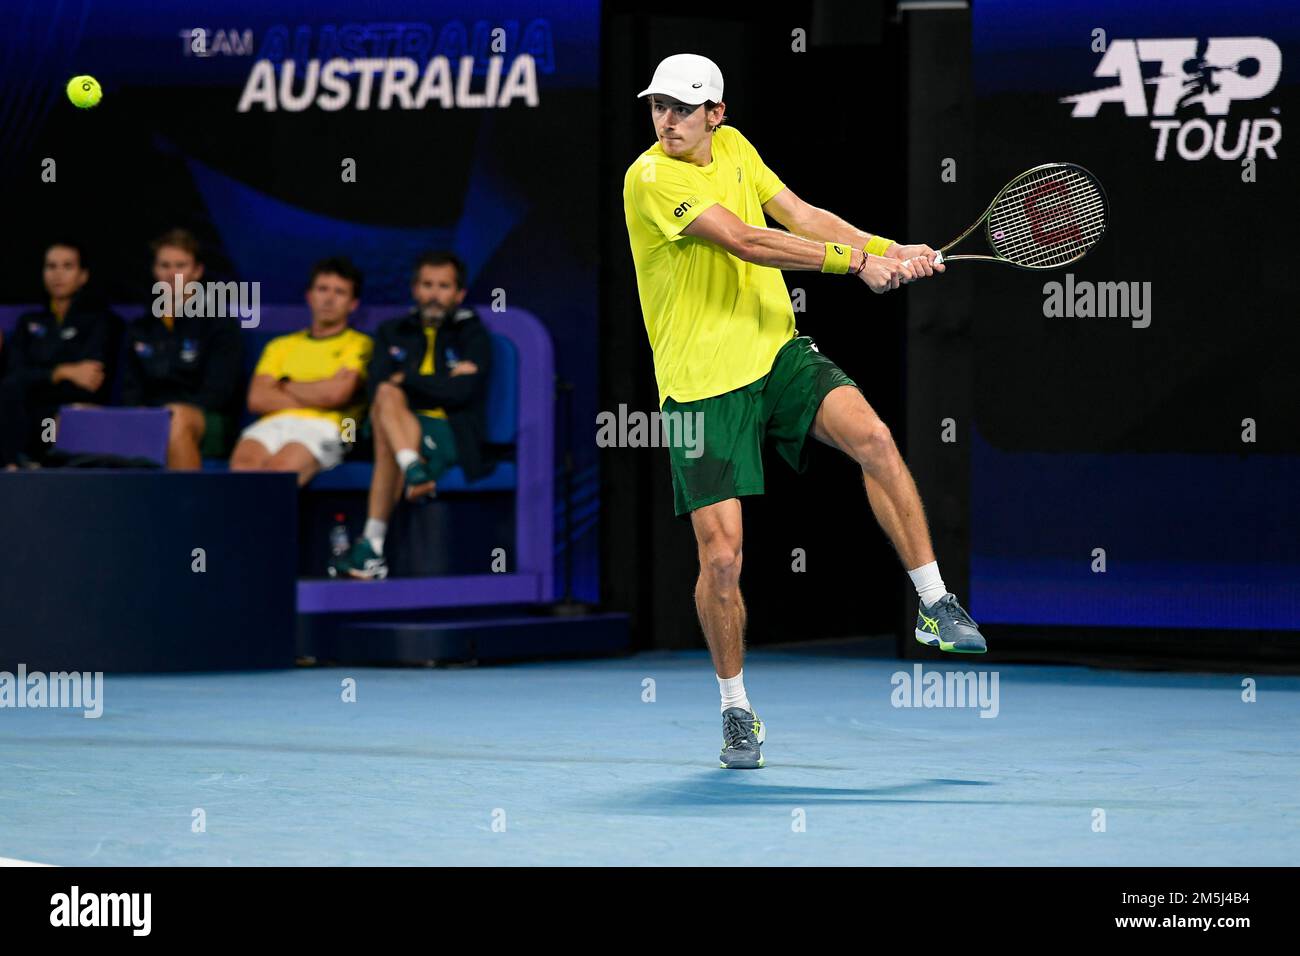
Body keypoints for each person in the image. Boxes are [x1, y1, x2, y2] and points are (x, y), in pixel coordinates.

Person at [622, 53, 987, 770]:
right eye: (658, 105)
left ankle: (934, 600)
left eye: (682, 107)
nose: (667, 120)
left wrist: (886, 247)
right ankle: (736, 710)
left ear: (715, 114)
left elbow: (798, 214)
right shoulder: (651, 176)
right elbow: (748, 241)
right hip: (701, 385)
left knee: (874, 438)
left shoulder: (734, 147)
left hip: (774, 353)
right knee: (722, 559)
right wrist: (855, 267)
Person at [333, 251, 494, 580]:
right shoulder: (391, 331)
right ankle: (413, 467)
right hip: (396, 421)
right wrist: (440, 382)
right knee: (386, 398)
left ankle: (372, 547)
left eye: (444, 286)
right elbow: (376, 384)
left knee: (389, 409)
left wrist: (407, 380)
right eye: (427, 285)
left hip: (448, 430)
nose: (434, 294)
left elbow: (462, 393)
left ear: (459, 294)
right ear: (414, 289)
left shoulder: (472, 334)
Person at [229, 257, 372, 486]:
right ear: (309, 296)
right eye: (322, 289)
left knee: (279, 475)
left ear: (353, 304)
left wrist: (285, 384)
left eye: (340, 292)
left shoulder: (360, 344)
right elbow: (257, 399)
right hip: (273, 423)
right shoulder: (279, 346)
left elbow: (336, 395)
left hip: (335, 427)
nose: (329, 298)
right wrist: (319, 393)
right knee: (242, 469)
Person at [120, 229, 242, 469]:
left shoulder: (219, 322)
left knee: (175, 418)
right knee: (76, 418)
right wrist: (146, 415)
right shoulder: (140, 328)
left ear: (197, 272)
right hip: (151, 418)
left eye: (180, 265)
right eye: (164, 265)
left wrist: (165, 414)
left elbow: (219, 393)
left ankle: (187, 506)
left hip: (206, 421)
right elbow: (129, 390)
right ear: (155, 271)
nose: (171, 274)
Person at [0, 241, 120, 467]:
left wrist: (37, 378)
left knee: (54, 422)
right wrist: (61, 372)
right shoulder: (29, 323)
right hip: (25, 413)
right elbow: (13, 379)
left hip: (68, 414)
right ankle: (12, 472)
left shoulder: (100, 321)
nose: (58, 274)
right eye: (51, 266)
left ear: (83, 275)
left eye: (67, 266)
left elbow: (88, 382)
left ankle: (24, 468)